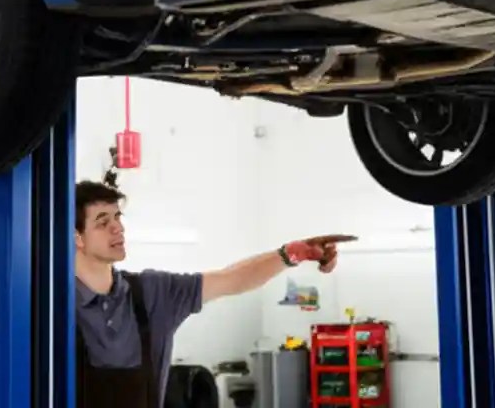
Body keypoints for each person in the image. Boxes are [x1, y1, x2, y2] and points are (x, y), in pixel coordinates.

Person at [74, 175, 354, 408]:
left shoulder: (153, 293)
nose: (118, 228)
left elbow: (230, 279)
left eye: (117, 217)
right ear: (77, 237)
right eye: (102, 221)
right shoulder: (50, 301)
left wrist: (292, 254)